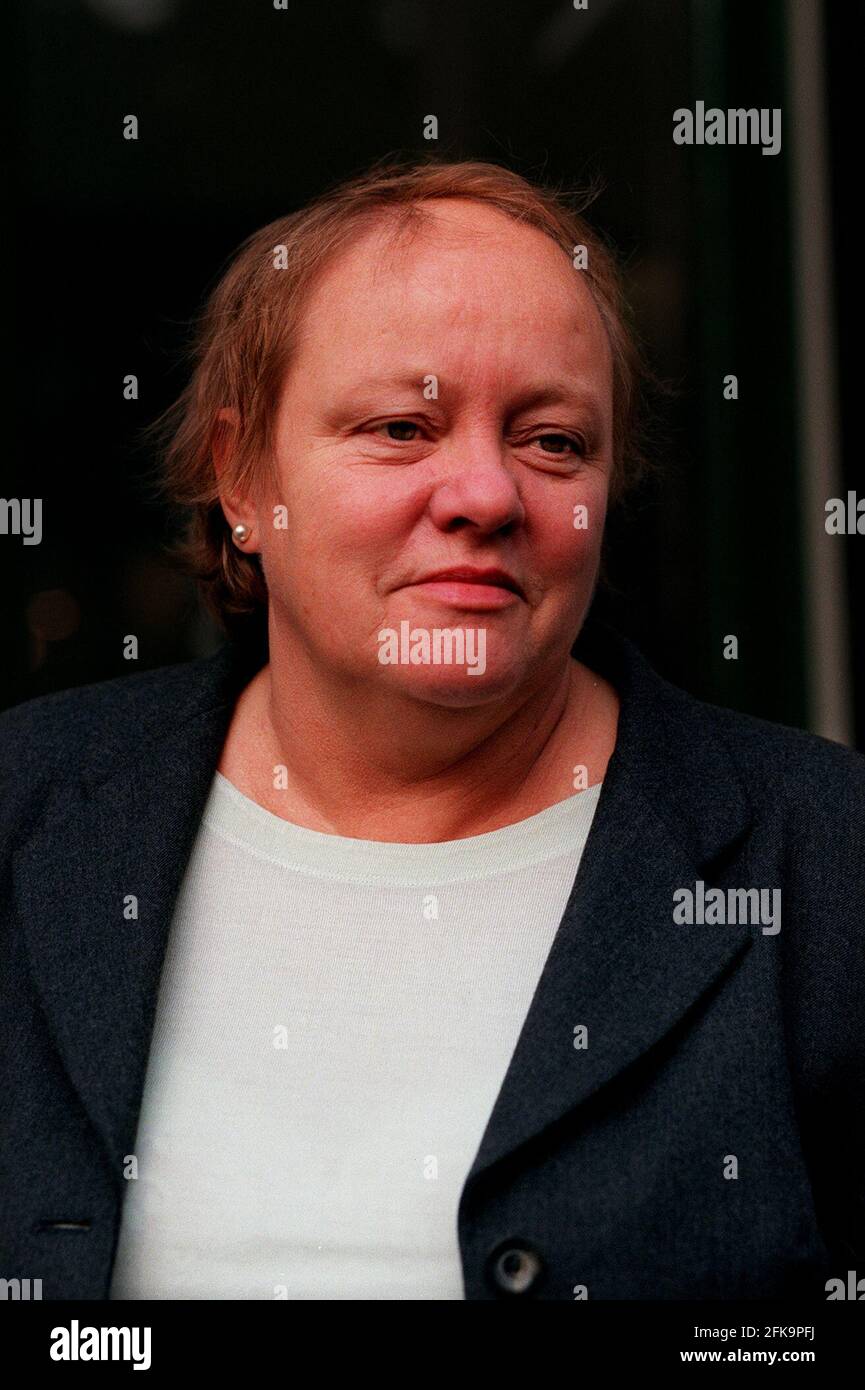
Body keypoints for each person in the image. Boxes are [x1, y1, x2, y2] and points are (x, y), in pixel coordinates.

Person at [1, 159, 863, 1301]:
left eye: (554, 441)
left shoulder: (826, 860)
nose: (487, 494)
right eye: (404, 427)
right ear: (241, 478)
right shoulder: (27, 809)